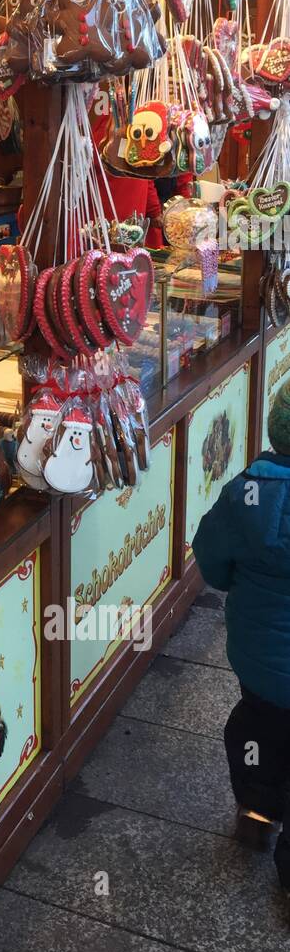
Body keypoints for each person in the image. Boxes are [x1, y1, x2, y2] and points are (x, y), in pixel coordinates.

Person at [193, 381, 290, 889]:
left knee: (256, 731)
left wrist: (237, 582)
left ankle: (256, 810)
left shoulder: (247, 493)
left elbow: (209, 556)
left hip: (258, 664)